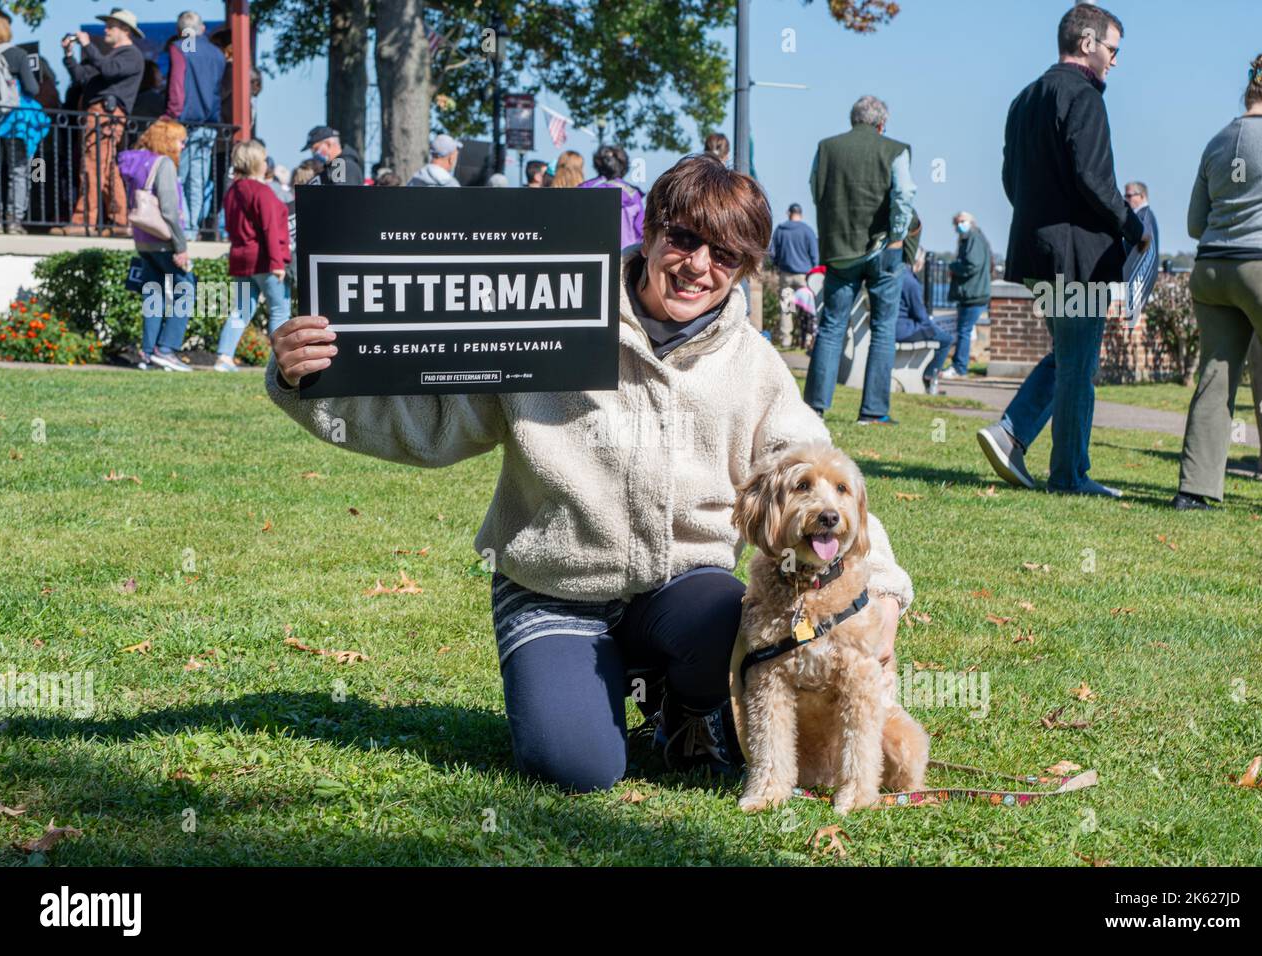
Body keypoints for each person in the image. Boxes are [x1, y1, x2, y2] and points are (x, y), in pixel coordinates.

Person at [265, 154, 914, 793]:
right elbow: (436, 425)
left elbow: (824, 474)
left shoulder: (753, 363)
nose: (698, 266)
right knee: (577, 767)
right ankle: (583, 689)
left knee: (732, 616)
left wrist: (880, 587)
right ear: (651, 230)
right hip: (555, 588)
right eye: (684, 239)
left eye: (726, 255)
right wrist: (310, 381)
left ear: (745, 269)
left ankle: (686, 709)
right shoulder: (555, 314)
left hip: (684, 590)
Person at [975, 3, 1146, 497]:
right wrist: (1134, 228)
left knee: (1071, 354)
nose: (1114, 61)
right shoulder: (1086, 97)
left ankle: (1013, 433)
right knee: (1078, 365)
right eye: (1112, 49)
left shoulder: (1024, 98)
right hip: (1078, 259)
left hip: (1035, 252)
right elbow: (1096, 179)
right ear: (1088, 43)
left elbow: (1012, 179)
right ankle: (1066, 471)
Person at [1172, 55, 1262, 511]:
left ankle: (1194, 490)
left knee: (1215, 378)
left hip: (1212, 270)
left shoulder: (1217, 141)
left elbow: (1194, 223)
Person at [804, 94, 916, 425]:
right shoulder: (895, 149)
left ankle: (814, 409)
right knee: (883, 327)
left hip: (839, 251)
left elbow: (815, 188)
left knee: (832, 326)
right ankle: (873, 411)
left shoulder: (827, 148)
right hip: (883, 249)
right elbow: (905, 193)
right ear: (882, 124)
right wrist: (896, 235)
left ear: (853, 120)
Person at [55, 8, 144, 237]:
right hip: (99, 114)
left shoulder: (131, 55)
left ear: (125, 30)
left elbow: (108, 70)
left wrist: (87, 45)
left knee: (92, 167)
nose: (106, 30)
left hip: (106, 114)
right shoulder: (111, 56)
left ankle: (84, 221)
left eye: (111, 26)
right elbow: (82, 77)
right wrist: (69, 56)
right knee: (105, 169)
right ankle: (121, 221)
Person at [116, 117, 194, 372]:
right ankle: (167, 349)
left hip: (143, 240)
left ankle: (148, 353)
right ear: (169, 140)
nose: (183, 146)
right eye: (181, 141)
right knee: (187, 289)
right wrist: (181, 246)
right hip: (163, 240)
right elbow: (170, 210)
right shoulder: (164, 165)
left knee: (153, 293)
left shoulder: (137, 162)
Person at [215, 139, 291, 372]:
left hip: (241, 257)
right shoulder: (262, 191)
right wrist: (277, 263)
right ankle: (280, 363)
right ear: (257, 162)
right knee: (279, 310)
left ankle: (224, 356)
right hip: (265, 260)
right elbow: (270, 228)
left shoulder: (232, 192)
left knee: (241, 309)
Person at [163, 10, 226, 240]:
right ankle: (191, 228)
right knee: (198, 180)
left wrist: (171, 114)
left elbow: (177, 87)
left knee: (179, 176)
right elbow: (216, 91)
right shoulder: (217, 54)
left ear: (180, 31)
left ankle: (185, 227)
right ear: (202, 28)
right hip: (210, 124)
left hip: (185, 124)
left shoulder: (181, 48)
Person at [0, 11, 42, 235]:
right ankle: (14, 220)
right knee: (19, 170)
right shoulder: (19, 55)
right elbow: (32, 89)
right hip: (16, 120)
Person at [942, 211, 992, 378]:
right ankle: (959, 365)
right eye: (957, 223)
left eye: (962, 221)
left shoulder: (973, 238)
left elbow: (973, 264)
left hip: (973, 294)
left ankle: (959, 367)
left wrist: (954, 267)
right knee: (964, 330)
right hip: (971, 293)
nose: (959, 225)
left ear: (971, 222)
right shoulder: (972, 238)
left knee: (963, 331)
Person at [897, 249, 953, 395]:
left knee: (934, 330)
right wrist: (933, 327)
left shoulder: (897, 275)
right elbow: (921, 316)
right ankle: (930, 376)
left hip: (895, 325)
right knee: (946, 339)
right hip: (903, 330)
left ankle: (929, 374)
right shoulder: (910, 282)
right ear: (918, 261)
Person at [768, 203, 819, 349]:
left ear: (788, 213)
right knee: (808, 308)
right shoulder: (807, 230)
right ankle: (808, 338)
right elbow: (814, 255)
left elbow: (772, 253)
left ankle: (786, 340)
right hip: (805, 277)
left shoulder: (780, 230)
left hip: (786, 276)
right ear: (800, 214)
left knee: (787, 308)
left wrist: (777, 264)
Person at [580, 145, 645, 249]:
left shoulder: (584, 189)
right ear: (624, 166)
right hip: (625, 256)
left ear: (598, 163)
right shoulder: (632, 194)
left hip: (591, 254)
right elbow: (642, 231)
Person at [1124, 181, 1159, 250]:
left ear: (1142, 195)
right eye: (1125, 196)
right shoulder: (1147, 215)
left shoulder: (1144, 217)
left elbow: (1143, 249)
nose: (1126, 199)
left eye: (1129, 196)